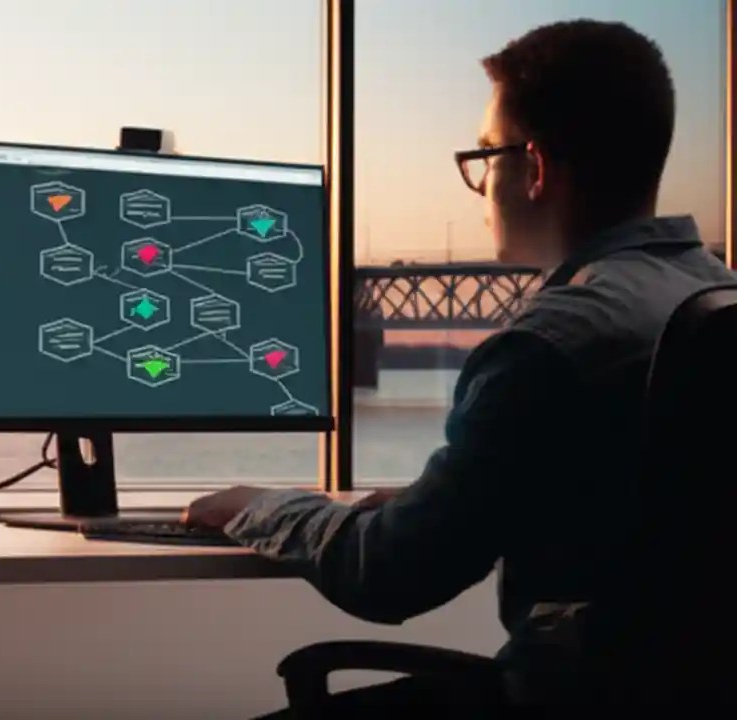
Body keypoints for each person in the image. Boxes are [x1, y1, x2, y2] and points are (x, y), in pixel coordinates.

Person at [184, 19, 736, 712]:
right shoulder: (714, 292)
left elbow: (389, 575)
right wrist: (438, 502)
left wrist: (257, 507)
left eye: (484, 155)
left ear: (533, 168)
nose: (478, 187)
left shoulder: (549, 343)